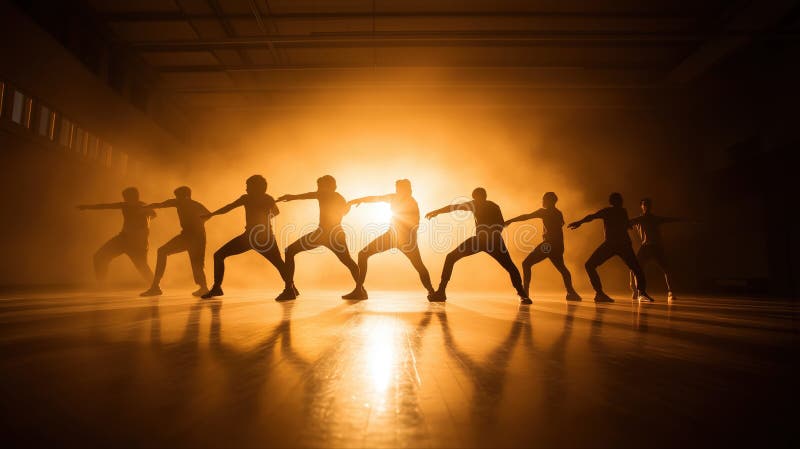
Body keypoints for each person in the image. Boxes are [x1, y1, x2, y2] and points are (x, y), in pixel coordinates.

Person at [425, 187, 531, 304]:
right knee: (510, 266)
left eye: (476, 198)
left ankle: (441, 291)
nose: (476, 200)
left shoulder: (478, 205)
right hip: (490, 241)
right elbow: (501, 224)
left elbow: (453, 208)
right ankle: (522, 294)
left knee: (451, 257)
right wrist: (437, 211)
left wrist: (437, 212)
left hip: (486, 241)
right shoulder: (490, 205)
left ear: (478, 197)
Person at [201, 175, 294, 300]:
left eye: (248, 186)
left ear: (257, 188)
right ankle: (290, 288)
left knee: (219, 255)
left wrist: (211, 214)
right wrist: (265, 218)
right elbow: (276, 212)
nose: (246, 189)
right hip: (259, 237)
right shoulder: (266, 198)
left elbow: (229, 207)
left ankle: (290, 289)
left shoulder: (248, 198)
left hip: (256, 237)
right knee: (279, 264)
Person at [345, 179, 435, 299]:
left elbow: (415, 224)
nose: (399, 192)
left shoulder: (412, 203)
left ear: (408, 190)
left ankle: (431, 291)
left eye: (402, 189)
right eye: (398, 189)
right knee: (363, 254)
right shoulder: (394, 197)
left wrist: (409, 239)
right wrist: (358, 200)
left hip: (406, 240)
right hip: (391, 236)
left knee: (419, 266)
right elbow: (376, 198)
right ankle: (359, 290)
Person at [277, 175, 360, 300]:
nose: (319, 190)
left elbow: (310, 195)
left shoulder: (327, 195)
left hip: (329, 235)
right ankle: (289, 288)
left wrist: (292, 197)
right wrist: (348, 206)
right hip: (326, 234)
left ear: (332, 187)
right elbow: (344, 212)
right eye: (319, 187)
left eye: (321, 187)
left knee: (348, 261)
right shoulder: (338, 197)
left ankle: (289, 289)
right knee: (348, 261)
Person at [567, 192, 654, 302]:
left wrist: (580, 222)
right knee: (637, 269)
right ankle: (641, 292)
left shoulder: (610, 211)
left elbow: (592, 217)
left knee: (590, 265)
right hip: (622, 244)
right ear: (617, 201)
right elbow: (626, 225)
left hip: (614, 244)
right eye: (620, 200)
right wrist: (580, 222)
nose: (621, 202)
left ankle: (600, 293)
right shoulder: (622, 211)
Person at [504, 192, 581, 301]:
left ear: (549, 201)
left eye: (544, 199)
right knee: (562, 268)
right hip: (558, 245)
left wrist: (510, 221)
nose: (542, 201)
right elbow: (560, 225)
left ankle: (525, 292)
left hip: (548, 245)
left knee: (526, 263)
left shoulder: (544, 212)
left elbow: (526, 216)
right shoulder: (558, 213)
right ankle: (571, 292)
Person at [139, 186, 210, 297]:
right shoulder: (178, 203)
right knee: (162, 251)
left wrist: (198, 223)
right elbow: (161, 204)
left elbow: (208, 215)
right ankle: (155, 287)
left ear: (186, 196)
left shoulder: (195, 205)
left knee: (197, 264)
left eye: (179, 196)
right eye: (176, 196)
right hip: (187, 236)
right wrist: (145, 207)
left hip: (197, 237)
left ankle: (204, 288)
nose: (177, 198)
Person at [77, 187, 155, 284]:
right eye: (125, 198)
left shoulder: (143, 206)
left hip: (137, 243)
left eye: (127, 198)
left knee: (142, 267)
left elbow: (153, 215)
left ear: (135, 197)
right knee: (99, 257)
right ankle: (101, 284)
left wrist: (144, 221)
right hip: (123, 239)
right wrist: (87, 207)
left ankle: (155, 286)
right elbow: (105, 206)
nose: (125, 200)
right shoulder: (125, 205)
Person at [629, 198, 685, 300]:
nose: (647, 206)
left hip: (656, 247)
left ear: (651, 206)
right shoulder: (639, 219)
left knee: (667, 269)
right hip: (646, 247)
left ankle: (670, 292)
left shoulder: (655, 219)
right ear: (641, 206)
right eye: (645, 204)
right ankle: (636, 291)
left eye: (648, 204)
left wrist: (686, 220)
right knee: (634, 268)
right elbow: (626, 223)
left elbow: (671, 219)